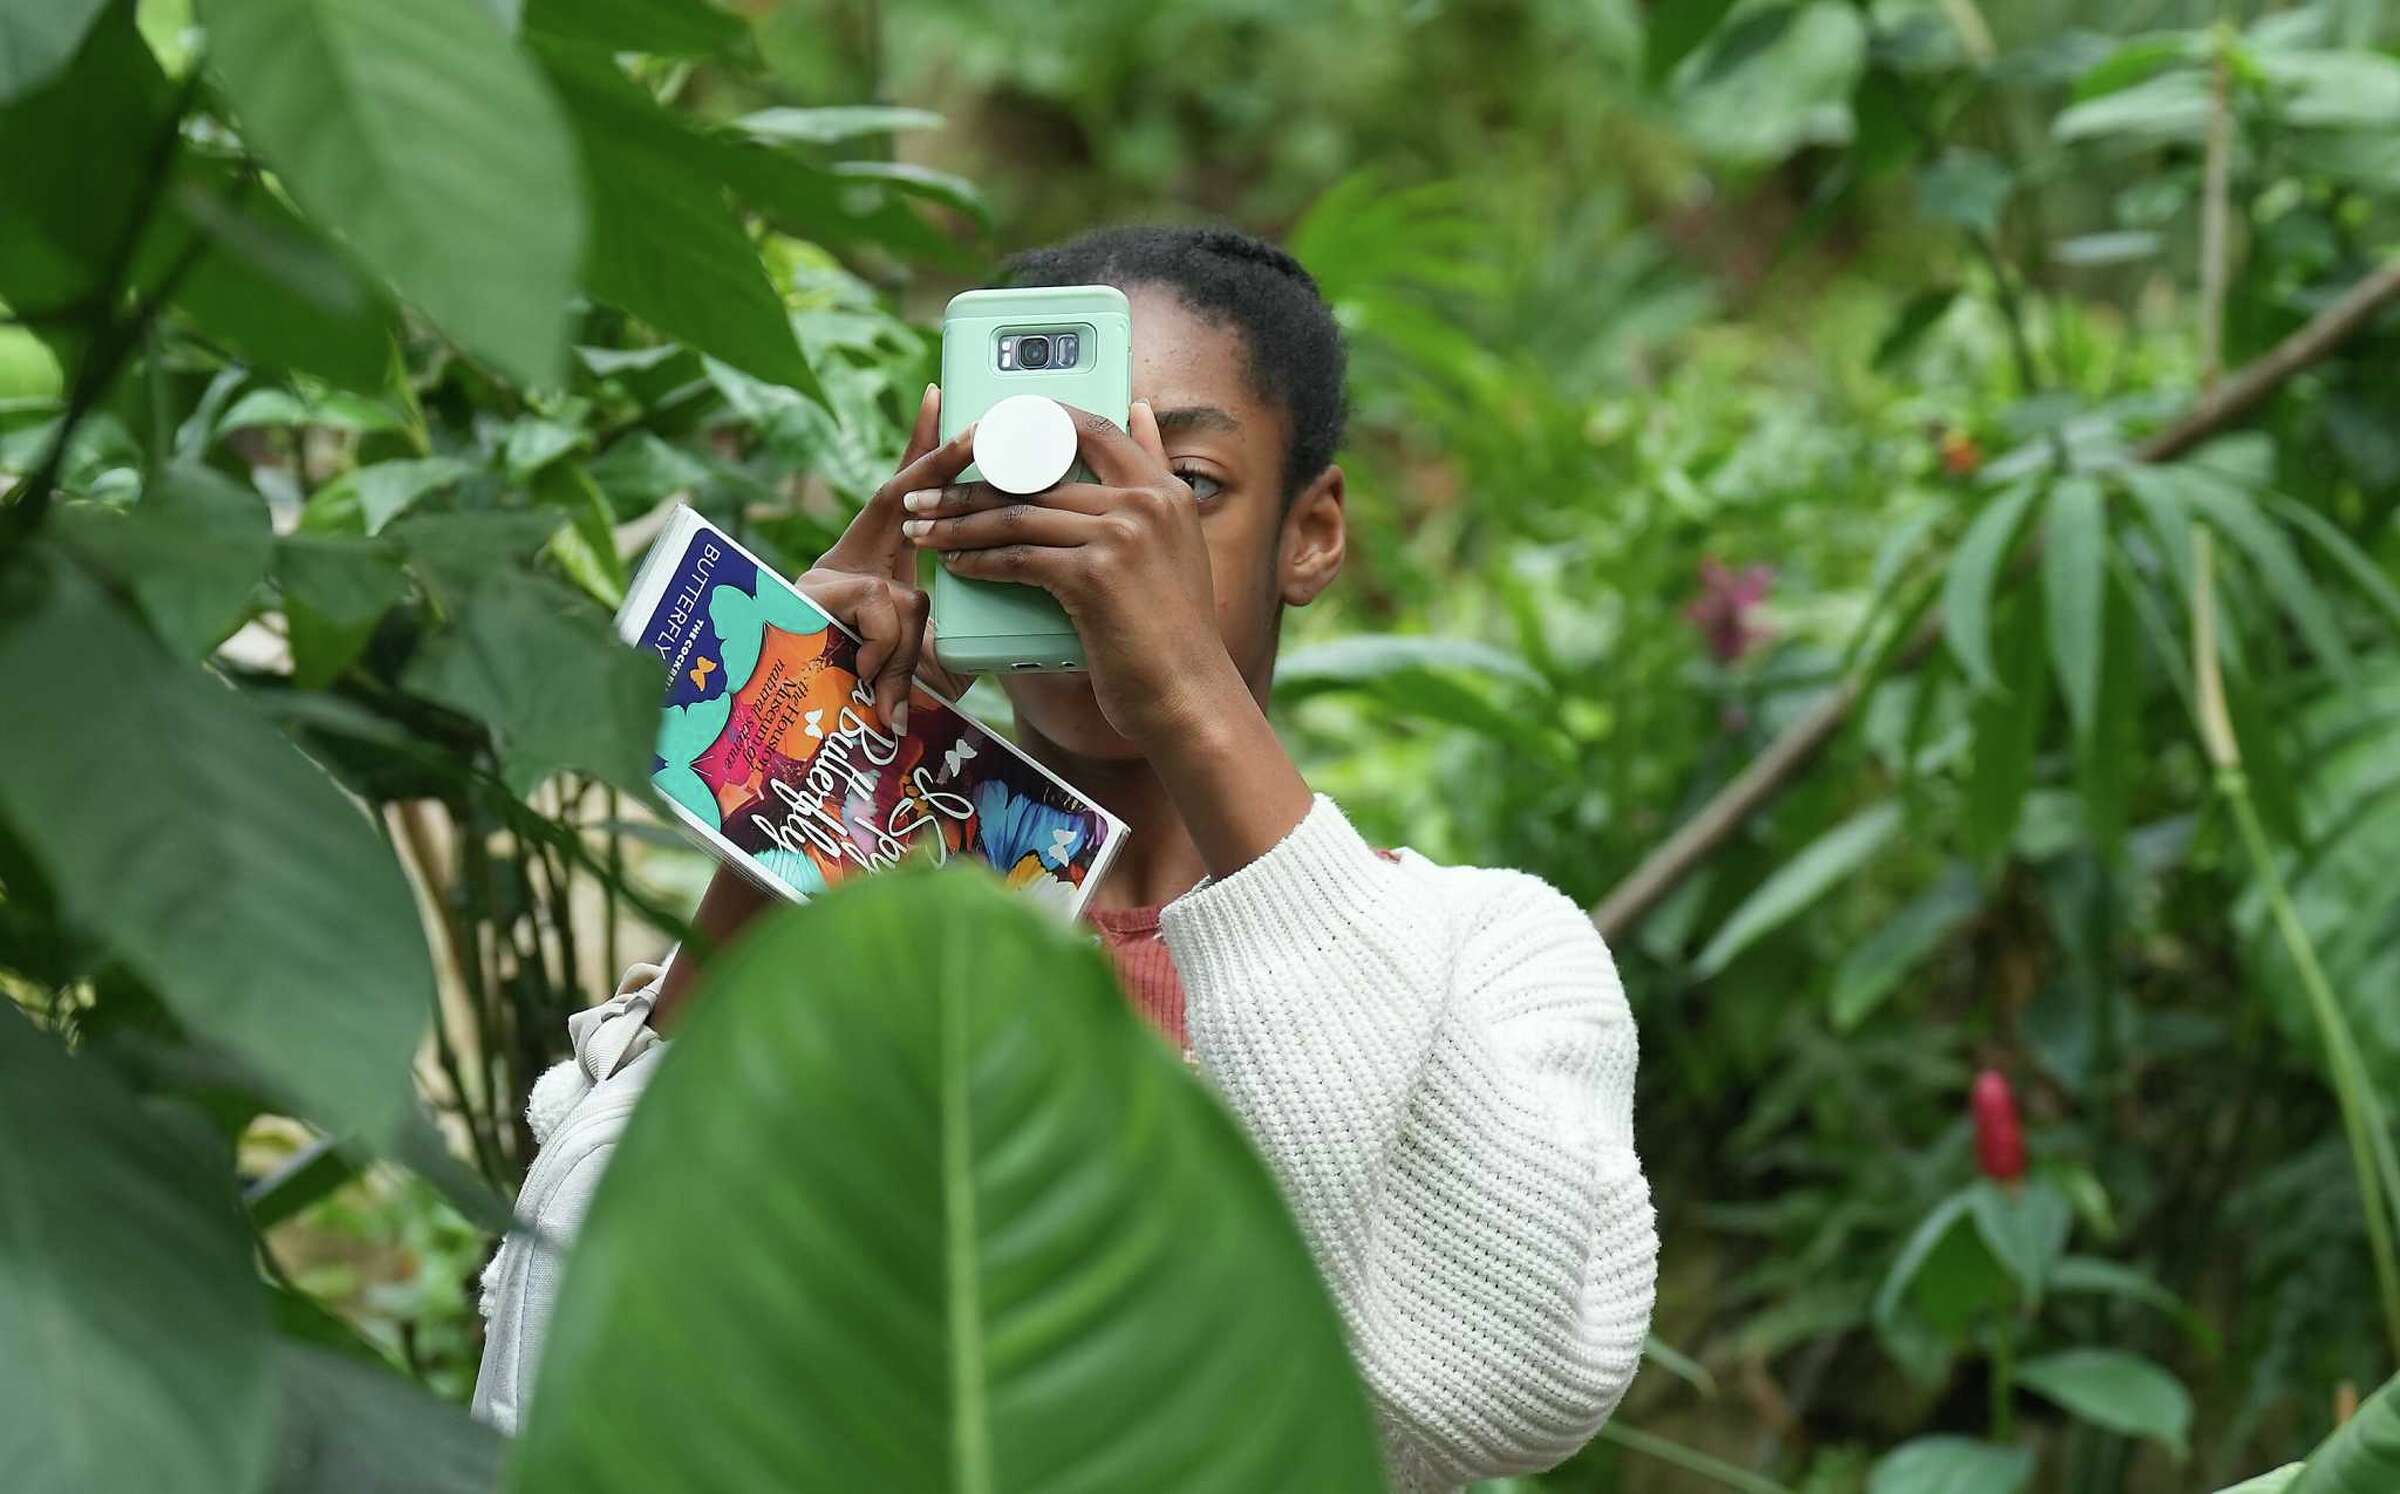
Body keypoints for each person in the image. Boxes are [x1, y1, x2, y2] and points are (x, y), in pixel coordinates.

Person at [473, 225, 1657, 1492]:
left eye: (1184, 486)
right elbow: (562, 1360)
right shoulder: (874, 950)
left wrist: (1188, 694)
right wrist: (814, 777)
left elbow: (1506, 1381)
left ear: (1311, 534)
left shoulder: (1491, 955)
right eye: (1042, 482)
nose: (1109, 535)